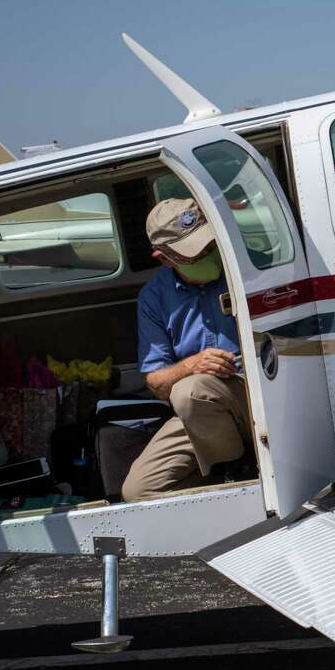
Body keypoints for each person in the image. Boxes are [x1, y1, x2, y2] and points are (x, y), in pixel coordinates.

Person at [122, 198, 251, 501]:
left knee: (191, 393)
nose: (208, 254)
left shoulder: (245, 268)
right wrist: (191, 365)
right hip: (203, 414)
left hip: (260, 396)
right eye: (195, 253)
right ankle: (232, 480)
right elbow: (156, 382)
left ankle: (241, 469)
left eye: (209, 245)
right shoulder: (153, 298)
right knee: (139, 491)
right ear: (164, 258)